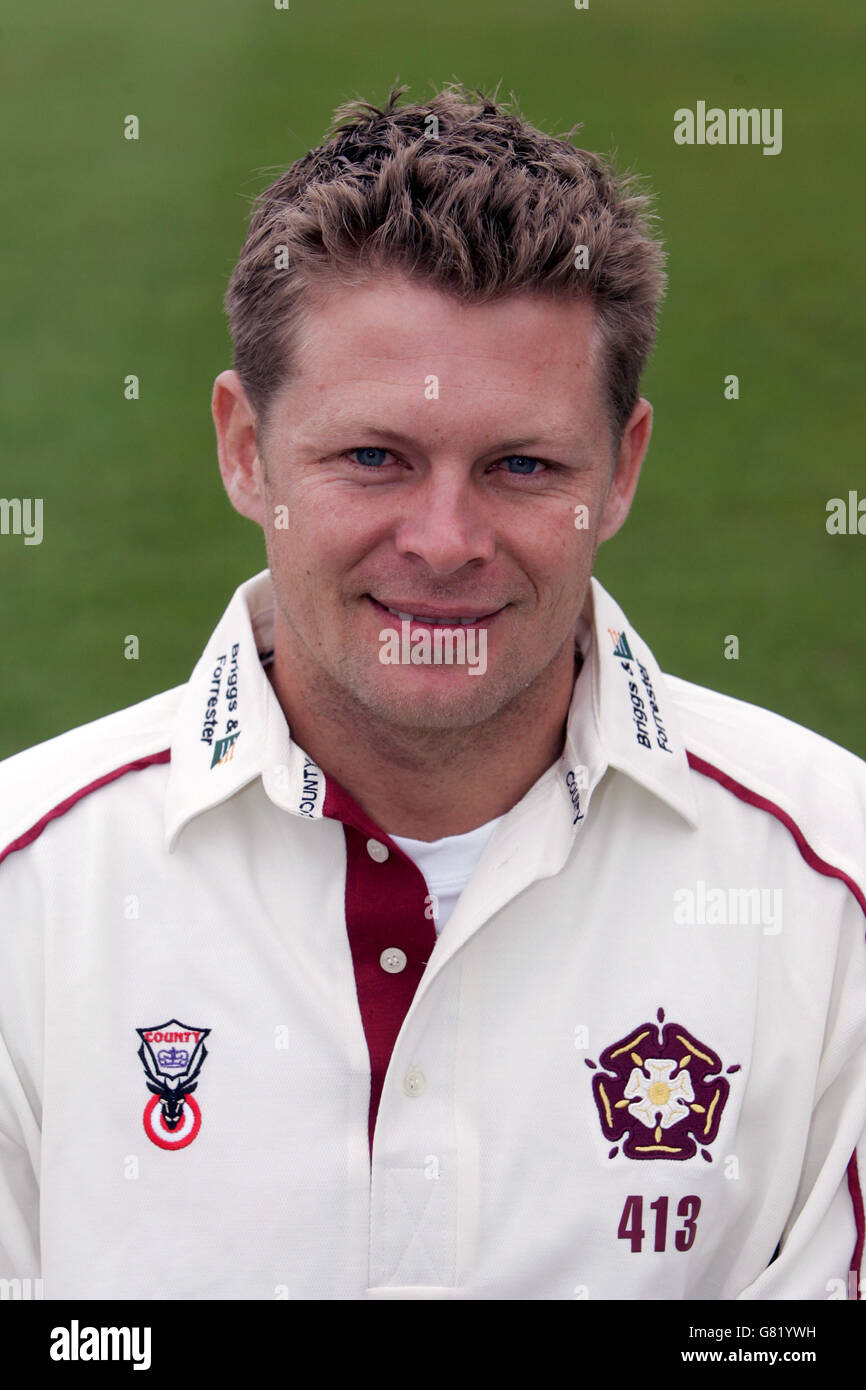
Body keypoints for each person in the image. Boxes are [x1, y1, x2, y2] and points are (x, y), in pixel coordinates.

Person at [0, 81, 863, 1302]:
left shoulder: (834, 897)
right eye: (372, 459)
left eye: (520, 464)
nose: (446, 539)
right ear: (244, 448)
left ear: (619, 472)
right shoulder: (24, 897)